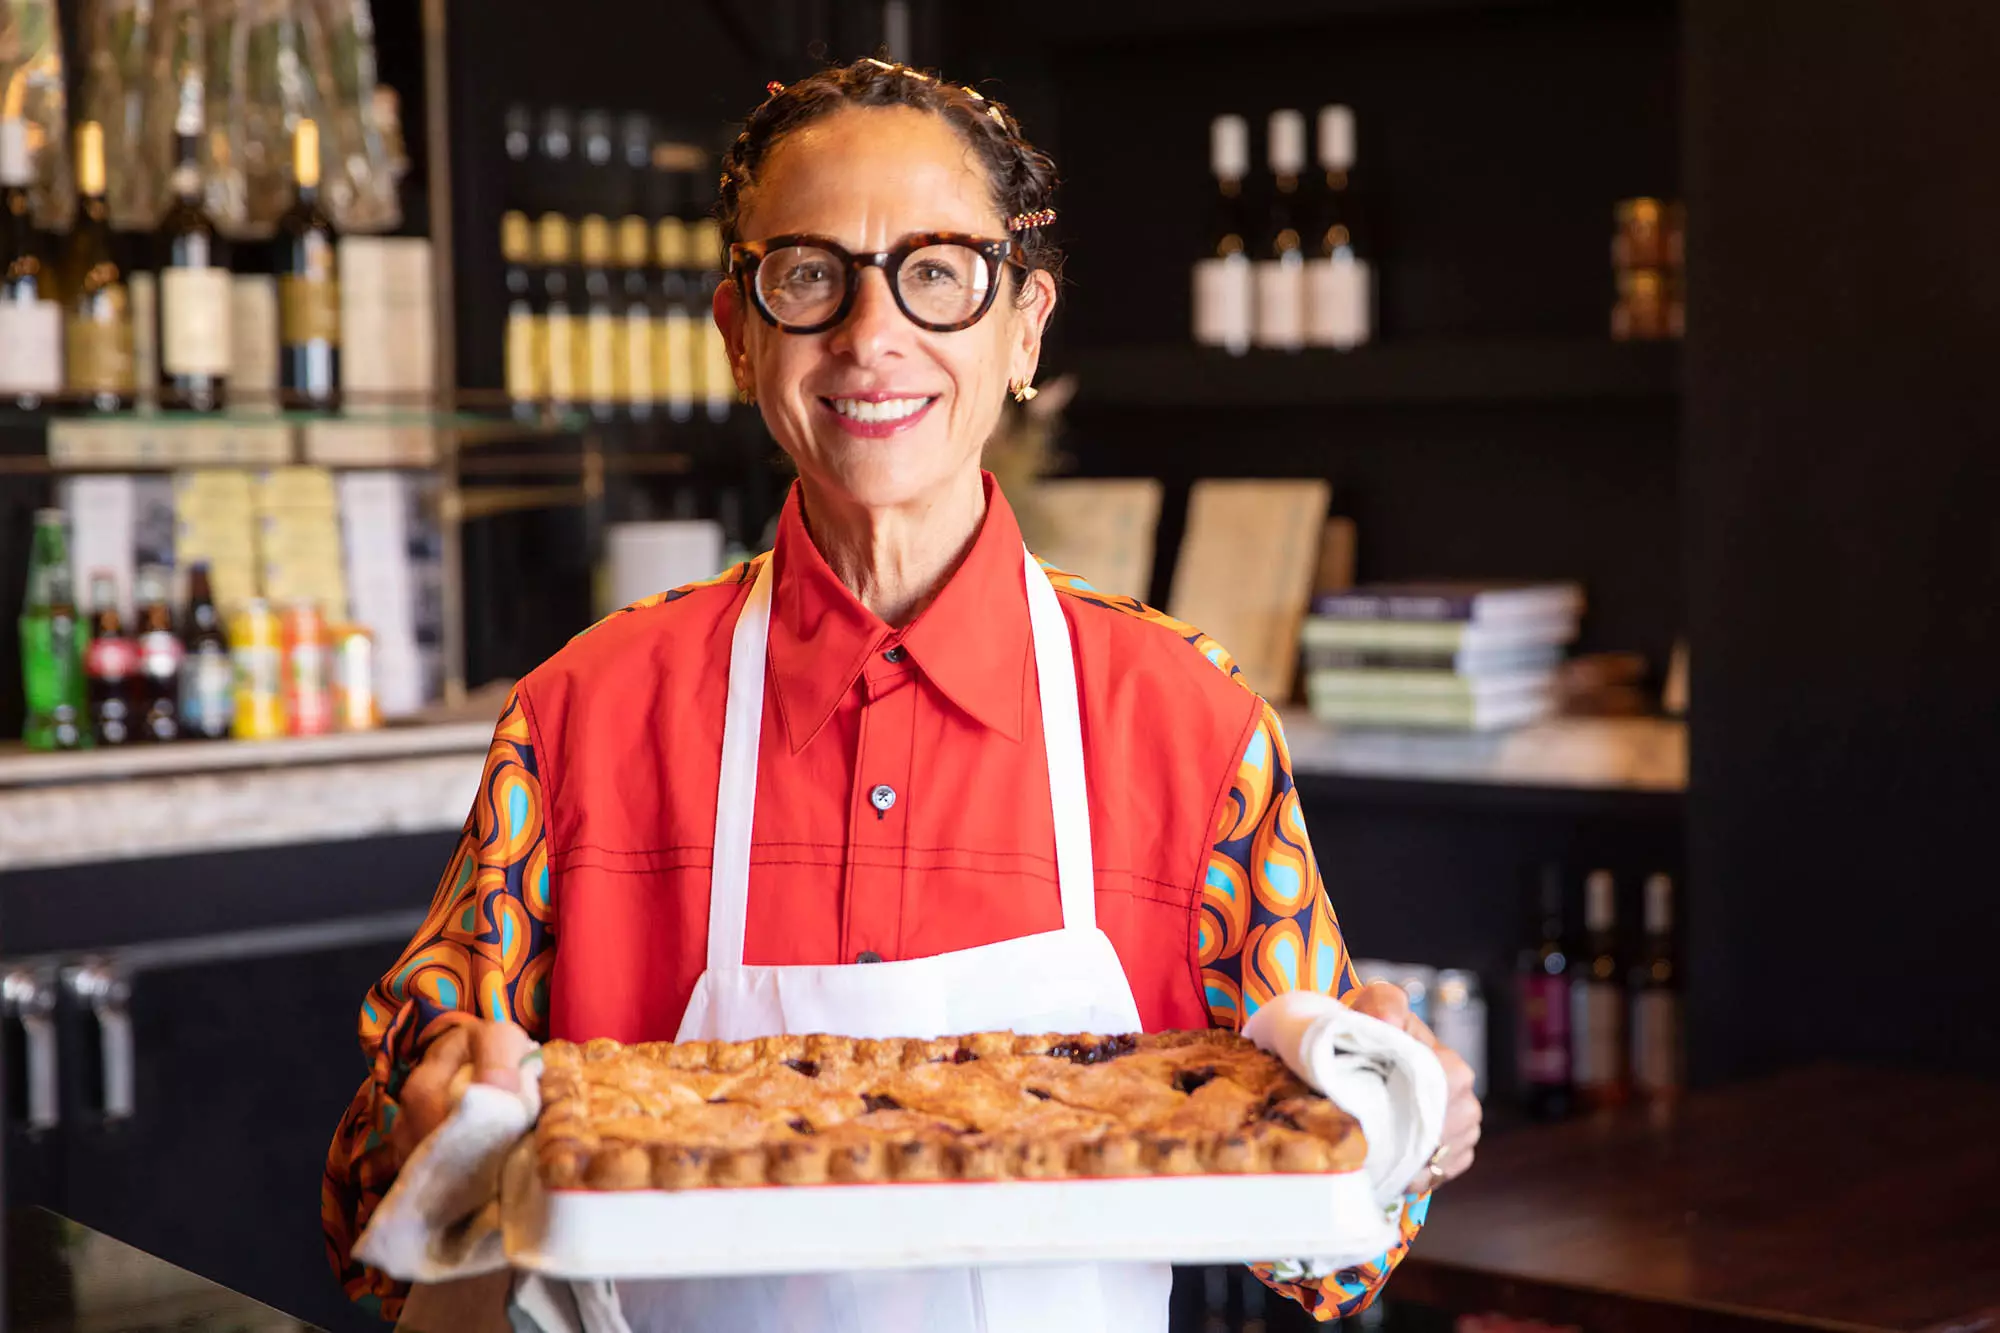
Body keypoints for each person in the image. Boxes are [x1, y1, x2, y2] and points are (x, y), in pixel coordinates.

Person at [323, 57, 1481, 1331]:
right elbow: (372, 1217)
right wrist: (440, 1111)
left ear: (1023, 326)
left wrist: (1404, 1119)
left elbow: (1333, 1250)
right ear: (738, 332)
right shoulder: (581, 716)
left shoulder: (1184, 721)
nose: (871, 337)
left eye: (935, 274)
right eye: (810, 274)